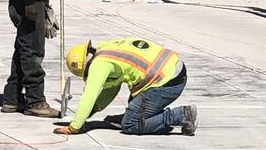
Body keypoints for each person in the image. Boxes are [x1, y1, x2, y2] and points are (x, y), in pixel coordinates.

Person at [56, 38, 198, 137]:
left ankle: (182, 115)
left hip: (166, 82)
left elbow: (89, 95)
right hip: (173, 70)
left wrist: (75, 126)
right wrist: (92, 110)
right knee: (134, 107)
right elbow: (111, 89)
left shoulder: (99, 65)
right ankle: (140, 114)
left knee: (130, 124)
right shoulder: (107, 48)